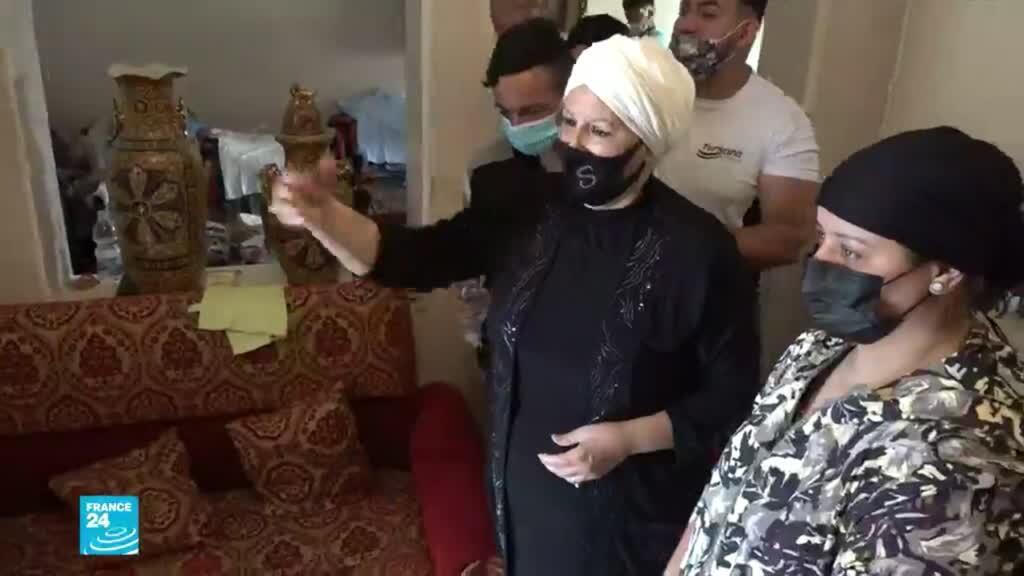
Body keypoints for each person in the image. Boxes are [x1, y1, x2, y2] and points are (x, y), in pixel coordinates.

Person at [271, 36, 760, 576]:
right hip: (521, 504)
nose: (575, 144)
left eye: (600, 131)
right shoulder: (525, 209)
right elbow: (412, 258)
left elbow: (732, 399)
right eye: (569, 122)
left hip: (629, 524)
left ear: (648, 141)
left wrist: (628, 439)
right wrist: (323, 216)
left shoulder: (700, 252)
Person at [668, 127, 1024, 575]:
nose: (822, 261)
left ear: (946, 273)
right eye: (822, 237)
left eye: (852, 252)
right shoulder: (819, 348)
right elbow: (721, 501)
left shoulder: (956, 458)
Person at [660, 0, 818, 271]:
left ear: (744, 33)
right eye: (683, 11)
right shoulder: (642, 89)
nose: (685, 25)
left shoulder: (783, 121)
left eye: (708, 14)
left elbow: (789, 238)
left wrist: (673, 250)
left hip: (699, 279)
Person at [458, 19, 572, 360]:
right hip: (507, 353)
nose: (518, 127)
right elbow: (473, 263)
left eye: (533, 111)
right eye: (506, 113)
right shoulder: (485, 170)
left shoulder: (603, 169)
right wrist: (481, 327)